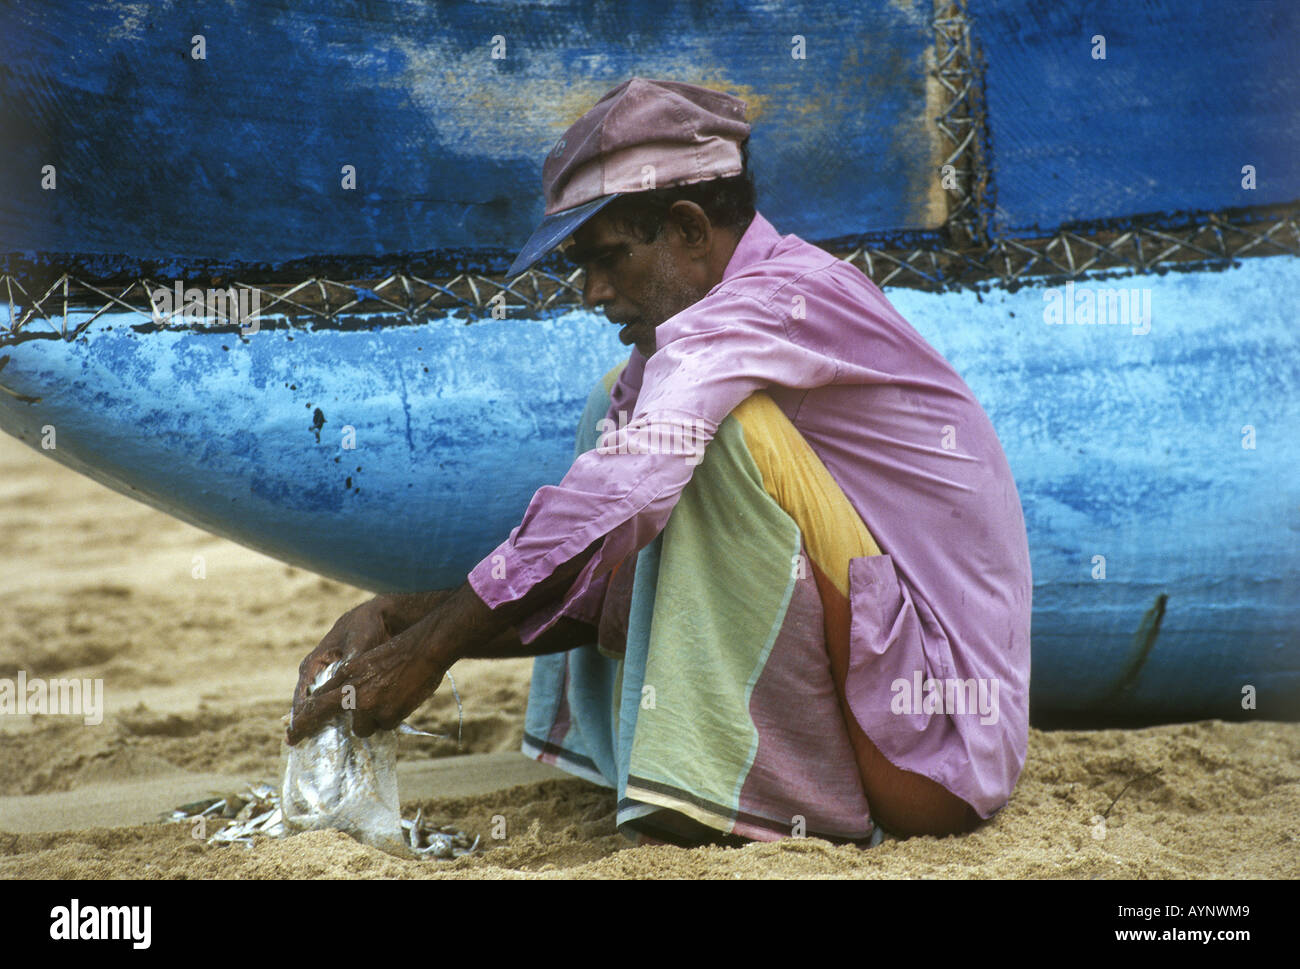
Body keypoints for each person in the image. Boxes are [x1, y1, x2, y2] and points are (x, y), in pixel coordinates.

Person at [288, 77, 1032, 846]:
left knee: (714, 437)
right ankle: (674, 769)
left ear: (686, 228)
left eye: (609, 257)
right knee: (619, 404)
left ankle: (716, 800)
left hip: (933, 747)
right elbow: (597, 578)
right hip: (876, 709)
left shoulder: (772, 302)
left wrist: (431, 651)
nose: (594, 291)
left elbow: (623, 490)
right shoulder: (702, 341)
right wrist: (404, 618)